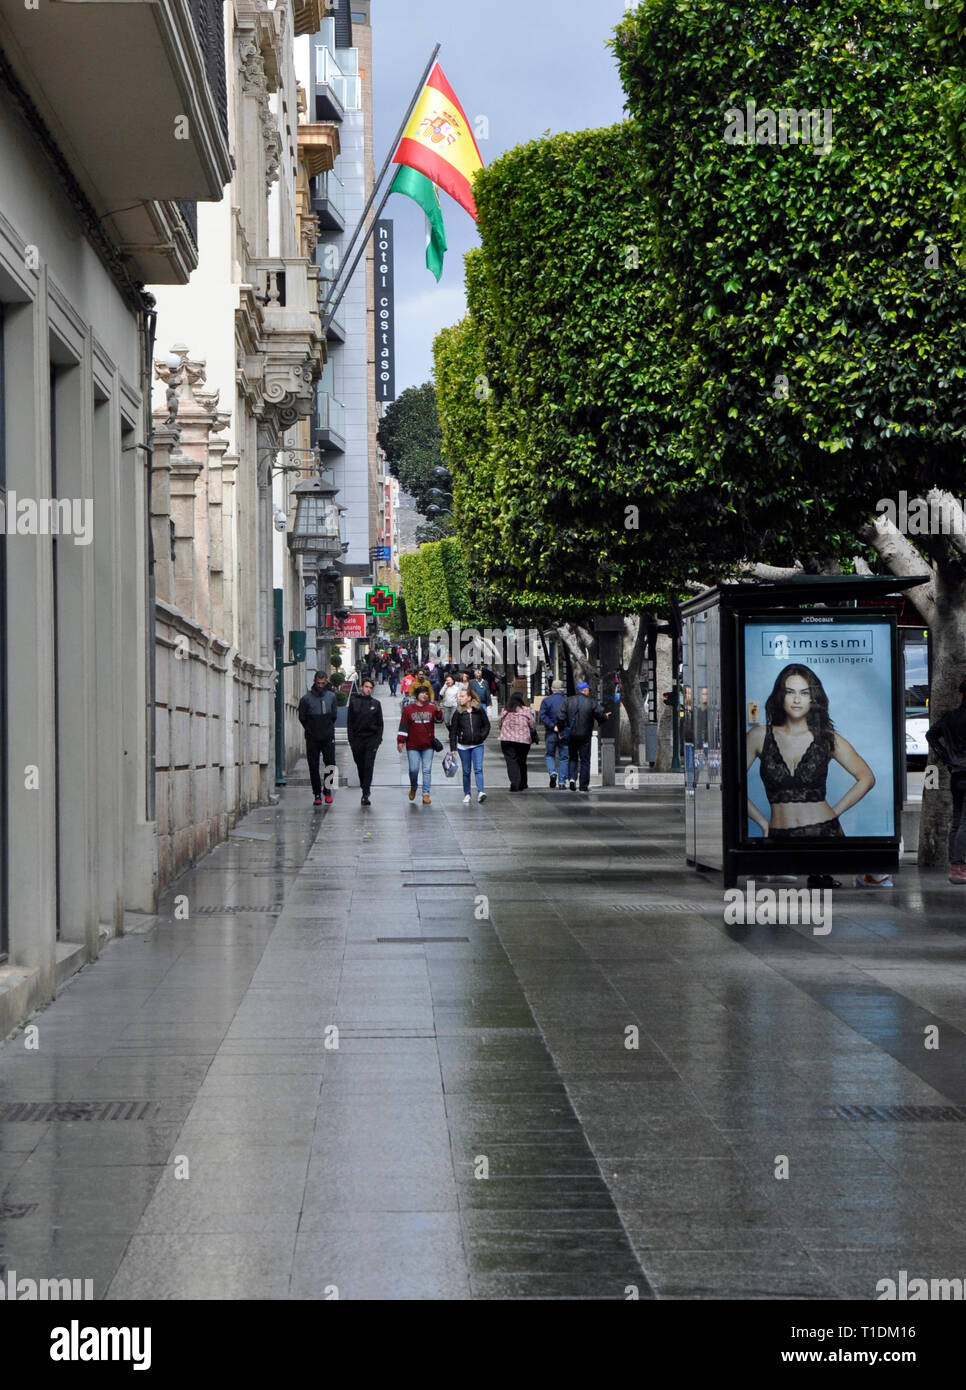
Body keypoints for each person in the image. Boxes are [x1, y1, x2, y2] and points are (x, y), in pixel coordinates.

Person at [746, 663, 876, 845]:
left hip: (825, 832)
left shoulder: (826, 738)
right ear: (780, 696)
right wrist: (762, 823)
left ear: (813, 698)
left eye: (804, 693)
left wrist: (834, 812)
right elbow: (730, 784)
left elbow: (867, 778)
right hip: (778, 836)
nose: (797, 699)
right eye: (790, 692)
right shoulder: (758, 736)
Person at [926, 677, 966, 883]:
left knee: (958, 819)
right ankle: (961, 867)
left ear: (961, 694)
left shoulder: (950, 717)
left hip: (957, 772)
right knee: (964, 821)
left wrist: (946, 757)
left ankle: (955, 868)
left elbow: (931, 735)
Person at [557, 681, 608, 792]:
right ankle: (583, 785)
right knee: (585, 760)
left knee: (573, 757)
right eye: (588, 689)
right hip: (585, 736)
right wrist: (605, 717)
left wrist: (561, 730)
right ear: (584, 690)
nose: (589, 691)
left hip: (571, 735)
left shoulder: (568, 701)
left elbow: (560, 717)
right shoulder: (591, 702)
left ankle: (571, 779)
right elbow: (600, 714)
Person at [298, 670, 338, 807]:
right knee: (313, 766)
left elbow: (334, 716)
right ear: (314, 681)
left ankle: (328, 791)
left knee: (331, 764)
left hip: (327, 736)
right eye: (318, 683)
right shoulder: (306, 699)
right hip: (312, 737)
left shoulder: (331, 697)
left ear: (326, 681)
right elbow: (302, 718)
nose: (321, 685)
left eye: (323, 683)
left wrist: (326, 728)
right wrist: (311, 729)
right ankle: (316, 794)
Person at [397, 685, 443, 804]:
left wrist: (439, 711)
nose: (425, 695)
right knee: (413, 769)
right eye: (422, 693)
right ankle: (413, 786)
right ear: (416, 695)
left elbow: (439, 720)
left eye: (426, 694)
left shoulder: (431, 708)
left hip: (428, 745)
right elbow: (403, 726)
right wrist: (400, 741)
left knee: (427, 770)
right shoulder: (408, 709)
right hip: (413, 745)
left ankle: (426, 793)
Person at [347, 676, 383, 806]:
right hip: (357, 739)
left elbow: (380, 723)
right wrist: (351, 740)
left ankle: (365, 793)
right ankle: (364, 785)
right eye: (366, 687)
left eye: (370, 688)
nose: (368, 690)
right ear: (362, 687)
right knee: (360, 765)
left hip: (371, 739)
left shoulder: (376, 704)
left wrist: (378, 740)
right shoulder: (354, 702)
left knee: (368, 765)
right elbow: (350, 722)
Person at [450, 686, 490, 804]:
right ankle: (467, 793)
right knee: (466, 771)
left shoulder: (478, 710)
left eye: (462, 696)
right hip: (463, 746)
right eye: (459, 696)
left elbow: (486, 725)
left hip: (478, 744)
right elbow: (453, 731)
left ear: (469, 698)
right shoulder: (458, 712)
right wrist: (453, 747)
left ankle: (481, 792)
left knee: (478, 769)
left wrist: (481, 736)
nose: (460, 699)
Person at [499, 691, 537, 791]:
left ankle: (515, 782)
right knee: (522, 760)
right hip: (523, 740)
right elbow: (532, 724)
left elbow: (500, 723)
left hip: (507, 739)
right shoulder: (526, 710)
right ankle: (523, 782)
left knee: (511, 761)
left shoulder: (505, 710)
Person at [539, 679, 569, 788]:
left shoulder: (546, 701)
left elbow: (542, 716)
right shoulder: (567, 701)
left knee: (550, 754)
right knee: (564, 757)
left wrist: (553, 726)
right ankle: (562, 782)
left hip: (551, 732)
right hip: (564, 732)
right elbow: (570, 717)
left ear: (552, 688)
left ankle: (552, 772)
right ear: (562, 689)